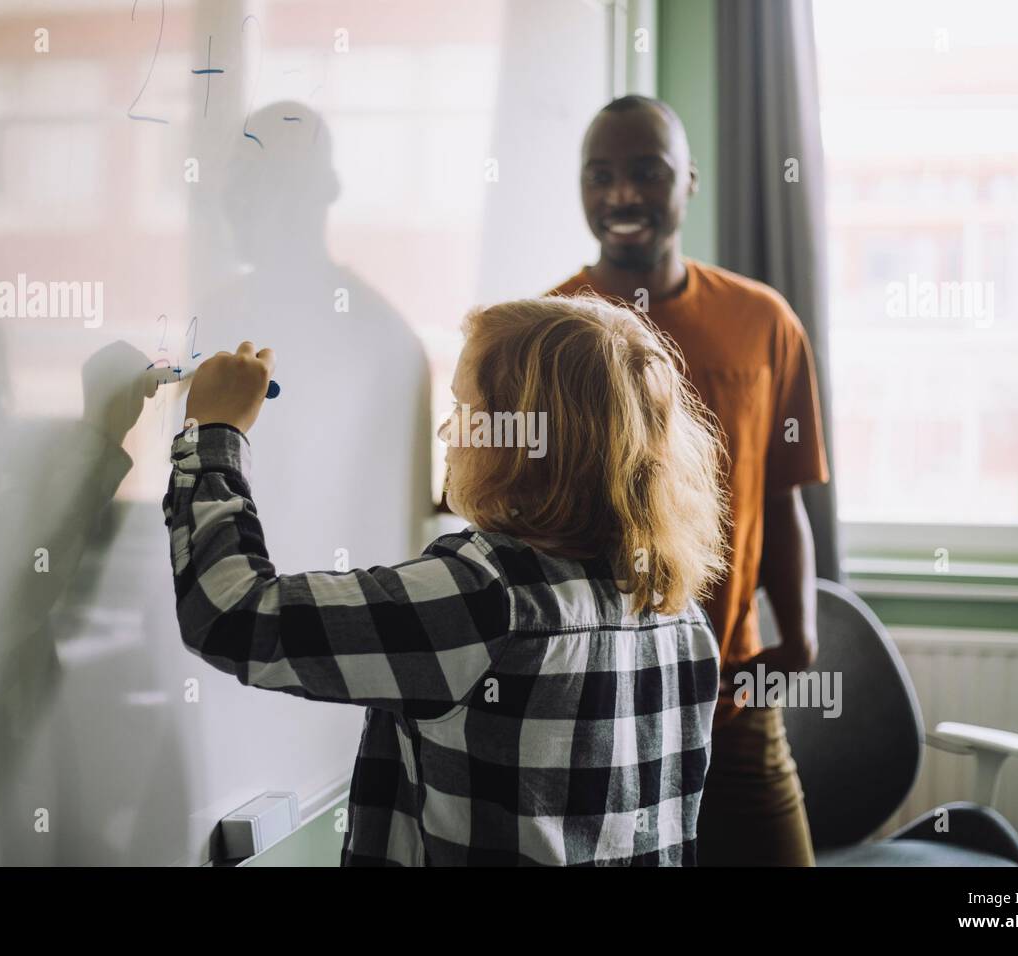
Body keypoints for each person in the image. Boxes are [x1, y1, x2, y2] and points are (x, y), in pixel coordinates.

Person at [162, 294, 730, 865]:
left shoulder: (485, 598)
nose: (444, 430)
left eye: (462, 407)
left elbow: (230, 613)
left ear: (525, 437)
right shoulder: (676, 608)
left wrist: (215, 435)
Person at [549, 95, 830, 866]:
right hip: (596, 703)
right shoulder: (549, 330)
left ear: (690, 182)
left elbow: (781, 494)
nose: (622, 195)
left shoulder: (764, 321)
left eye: (647, 172)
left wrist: (799, 638)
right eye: (599, 175)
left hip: (732, 697)